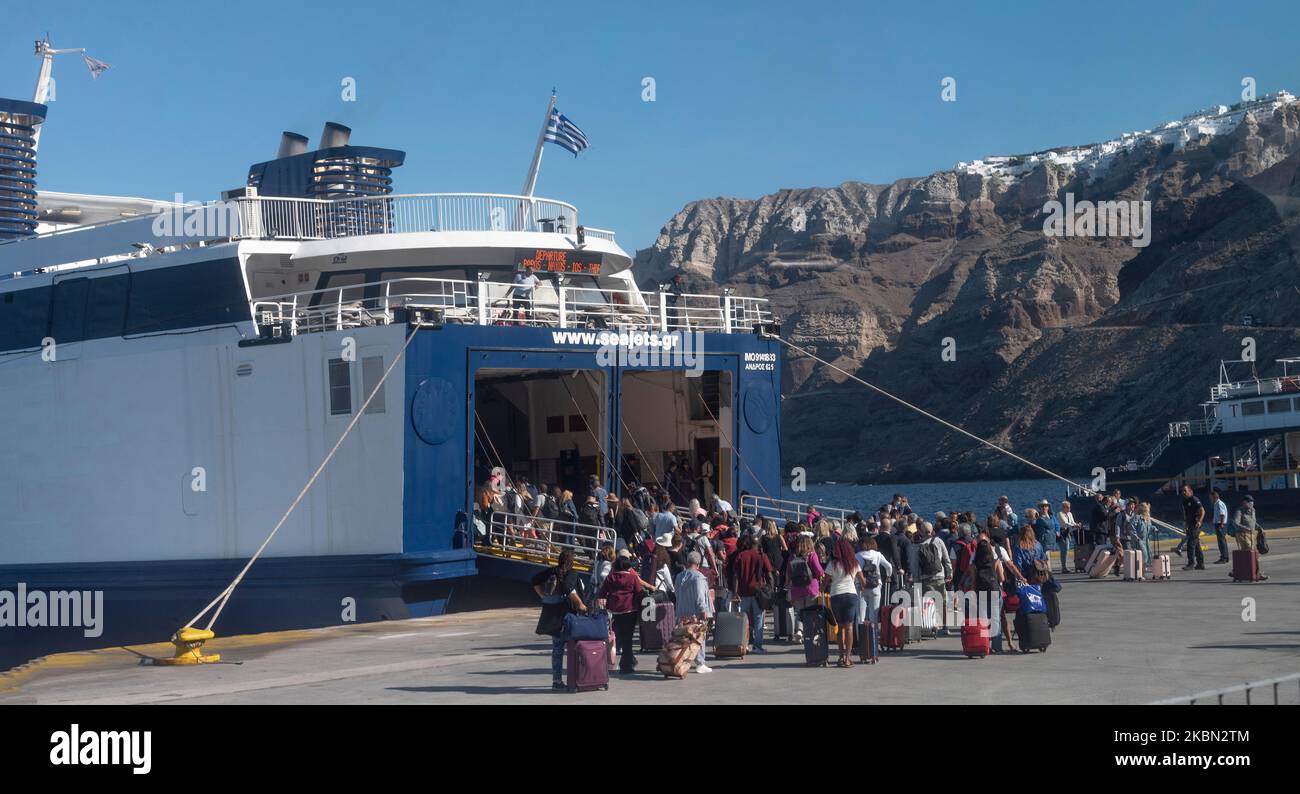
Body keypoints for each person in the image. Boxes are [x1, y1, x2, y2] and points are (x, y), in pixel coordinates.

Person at [532, 549, 588, 689]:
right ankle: (575, 678)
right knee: (576, 647)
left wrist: (543, 597)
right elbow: (568, 588)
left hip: (553, 616)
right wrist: (581, 604)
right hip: (569, 616)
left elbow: (534, 580)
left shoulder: (552, 571)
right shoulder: (572, 573)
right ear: (572, 561)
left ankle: (556, 681)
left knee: (557, 649)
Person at [598, 552, 656, 675]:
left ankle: (629, 660)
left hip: (615, 611)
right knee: (628, 639)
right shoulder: (632, 577)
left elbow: (602, 593)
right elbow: (639, 592)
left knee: (620, 637)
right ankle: (626, 665)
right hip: (630, 610)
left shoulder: (610, 578)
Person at [727, 534, 774, 652]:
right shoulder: (762, 556)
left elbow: (735, 576)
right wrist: (771, 589)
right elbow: (769, 575)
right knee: (759, 619)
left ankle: (745, 644)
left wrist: (735, 592)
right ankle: (757, 646)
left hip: (743, 592)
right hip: (758, 592)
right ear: (758, 544)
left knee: (744, 620)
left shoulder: (741, 555)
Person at [826, 537, 866, 667]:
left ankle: (841, 655)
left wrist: (822, 588)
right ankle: (848, 658)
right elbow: (863, 581)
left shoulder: (833, 564)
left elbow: (825, 581)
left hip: (836, 595)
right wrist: (863, 589)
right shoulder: (854, 563)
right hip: (850, 595)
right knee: (849, 627)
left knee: (840, 626)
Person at [673, 551, 714, 673]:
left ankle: (680, 660)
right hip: (695, 612)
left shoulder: (680, 576)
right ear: (698, 563)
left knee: (683, 638)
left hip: (681, 611)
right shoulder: (699, 577)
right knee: (699, 637)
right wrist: (703, 610)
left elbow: (676, 592)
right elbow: (700, 596)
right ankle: (700, 663)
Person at [909, 522, 953, 634]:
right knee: (943, 602)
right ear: (932, 530)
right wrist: (949, 573)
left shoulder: (918, 546)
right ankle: (945, 626)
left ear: (921, 532)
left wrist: (916, 579)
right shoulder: (938, 541)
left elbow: (914, 565)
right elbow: (946, 559)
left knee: (928, 603)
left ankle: (933, 625)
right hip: (939, 576)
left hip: (925, 578)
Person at [785, 534, 825, 644]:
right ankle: (811, 634)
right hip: (811, 588)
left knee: (799, 612)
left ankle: (799, 631)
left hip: (797, 588)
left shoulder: (793, 556)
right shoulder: (812, 555)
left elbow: (788, 573)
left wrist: (787, 586)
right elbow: (819, 571)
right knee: (811, 612)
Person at [1180, 484, 1206, 571]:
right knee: (1197, 544)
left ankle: (1191, 563)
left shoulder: (1194, 499)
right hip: (1190, 524)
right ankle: (1200, 563)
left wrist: (1199, 521)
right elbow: (1186, 514)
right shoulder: (1184, 502)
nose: (1183, 492)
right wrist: (1186, 524)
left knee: (1191, 544)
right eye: (1182, 491)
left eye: (1185, 490)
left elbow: (1203, 511)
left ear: (1190, 491)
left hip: (1196, 525)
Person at [1056, 500, 1078, 574]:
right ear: (1063, 507)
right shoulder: (1060, 514)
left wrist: (1077, 524)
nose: (1069, 509)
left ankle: (1065, 567)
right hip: (1062, 533)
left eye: (1069, 507)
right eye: (1067, 507)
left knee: (1067, 549)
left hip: (1068, 532)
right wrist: (1074, 525)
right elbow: (1065, 523)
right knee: (1064, 550)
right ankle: (1064, 567)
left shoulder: (1070, 514)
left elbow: (1072, 522)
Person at [1209, 490, 1230, 565]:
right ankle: (1226, 557)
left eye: (1211, 498)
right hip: (1219, 523)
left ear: (1214, 497)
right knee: (1222, 541)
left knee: (1221, 542)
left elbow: (1222, 514)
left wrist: (1221, 524)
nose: (1210, 499)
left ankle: (1223, 558)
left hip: (1220, 524)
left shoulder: (1219, 504)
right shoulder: (1216, 504)